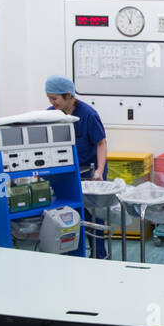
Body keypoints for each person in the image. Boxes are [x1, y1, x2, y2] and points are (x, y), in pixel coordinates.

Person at [45, 75, 109, 258]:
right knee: (70, 217)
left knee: (92, 219)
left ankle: (99, 257)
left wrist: (99, 171)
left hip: (90, 173)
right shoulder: (51, 114)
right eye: (49, 98)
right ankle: (75, 256)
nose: (52, 102)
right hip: (66, 174)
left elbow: (101, 143)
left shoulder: (88, 114)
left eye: (54, 98)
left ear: (68, 95)